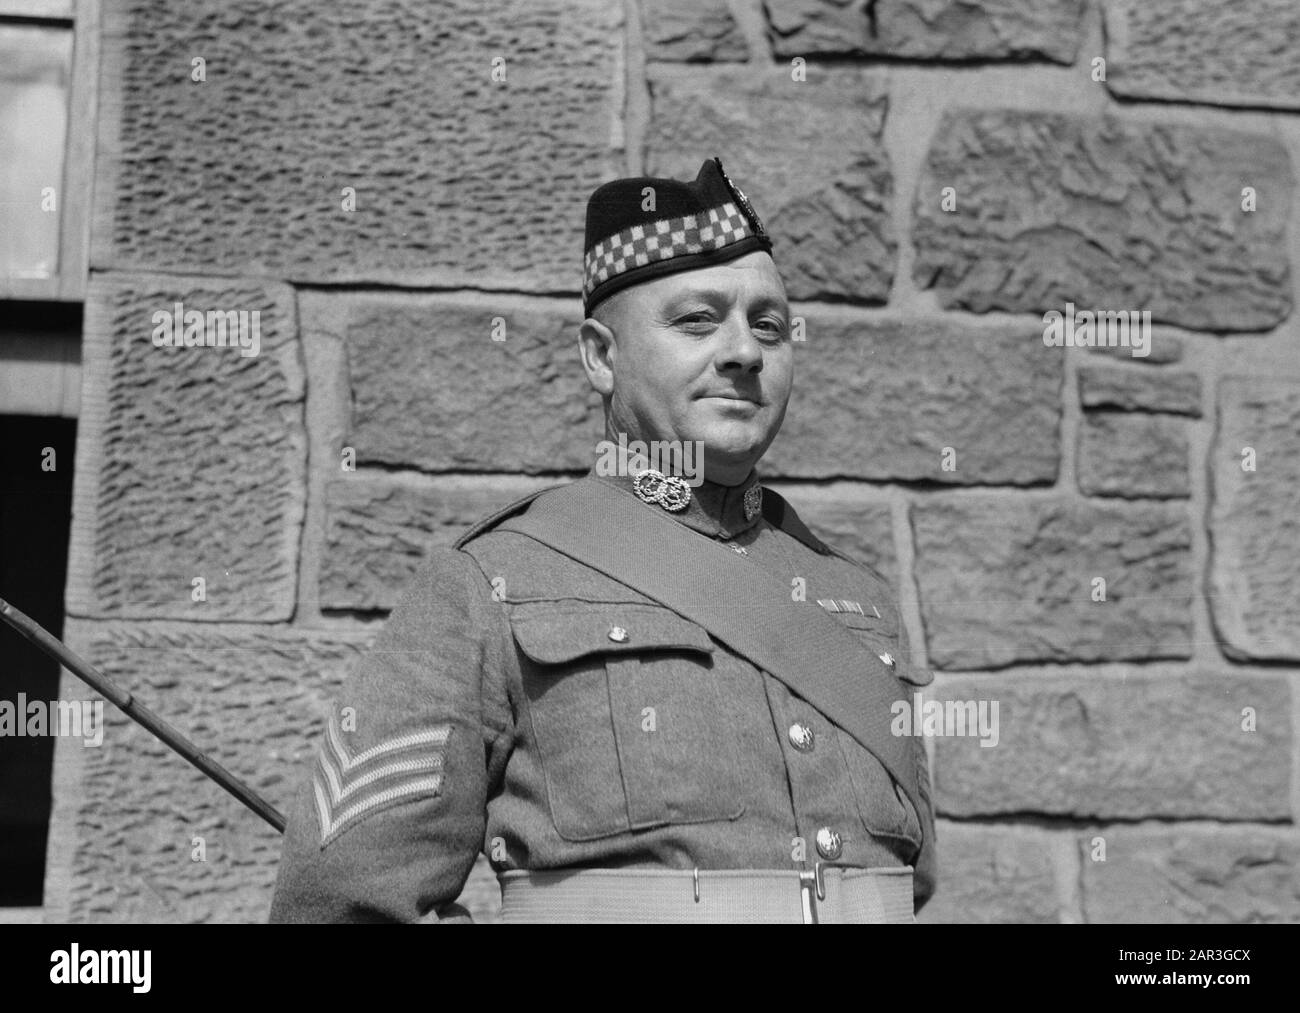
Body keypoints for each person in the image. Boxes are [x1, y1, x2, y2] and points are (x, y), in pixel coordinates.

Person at [269, 158, 937, 923]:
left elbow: (905, 886)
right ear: (600, 355)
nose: (745, 351)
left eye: (769, 325)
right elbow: (334, 902)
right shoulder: (490, 583)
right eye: (697, 320)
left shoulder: (857, 601)